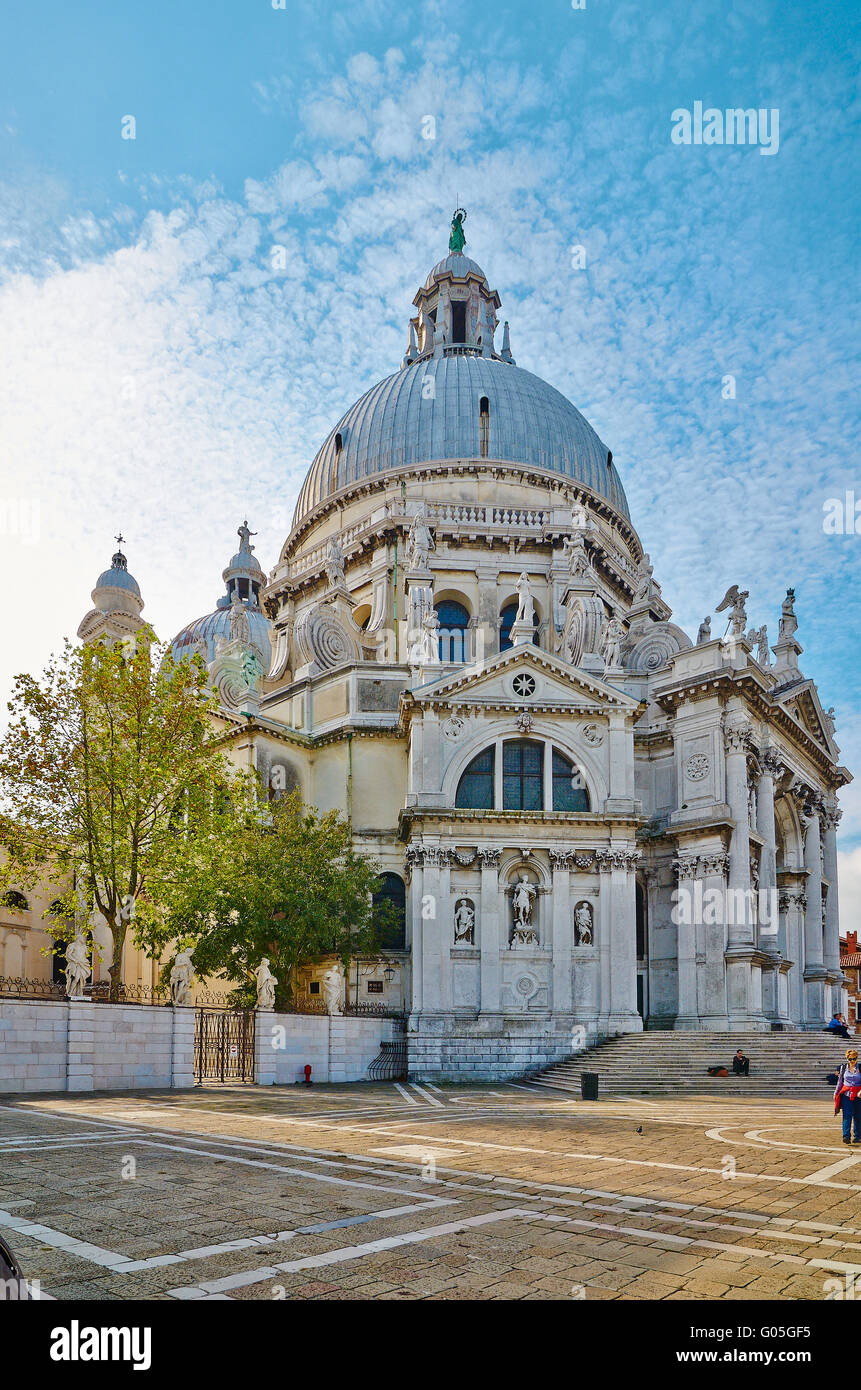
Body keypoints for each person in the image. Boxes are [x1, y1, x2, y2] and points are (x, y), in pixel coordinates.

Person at [834, 1048, 861, 1145]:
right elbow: (840, 1081)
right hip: (846, 1094)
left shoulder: (860, 1067)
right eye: (850, 1059)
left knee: (858, 1116)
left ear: (857, 1058)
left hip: (859, 1095)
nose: (852, 1061)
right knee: (847, 1115)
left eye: (854, 1058)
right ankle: (846, 1136)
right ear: (847, 1058)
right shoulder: (843, 1068)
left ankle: (857, 1136)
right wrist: (836, 1093)